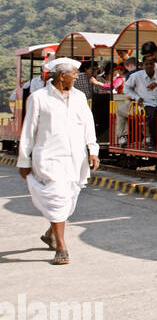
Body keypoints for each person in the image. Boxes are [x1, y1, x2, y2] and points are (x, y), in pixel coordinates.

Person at [17, 57, 100, 265]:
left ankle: (50, 233)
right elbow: (28, 131)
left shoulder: (79, 97)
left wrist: (93, 150)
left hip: (75, 158)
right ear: (62, 76)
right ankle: (62, 248)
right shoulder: (38, 98)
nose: (77, 77)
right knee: (56, 196)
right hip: (48, 157)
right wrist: (23, 160)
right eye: (74, 73)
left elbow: (88, 124)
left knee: (69, 198)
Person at [121, 47, 157, 147]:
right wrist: (137, 97)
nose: (150, 66)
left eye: (152, 64)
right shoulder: (136, 76)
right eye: (147, 64)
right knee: (120, 111)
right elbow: (126, 89)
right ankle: (124, 136)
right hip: (143, 103)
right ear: (143, 66)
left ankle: (153, 139)